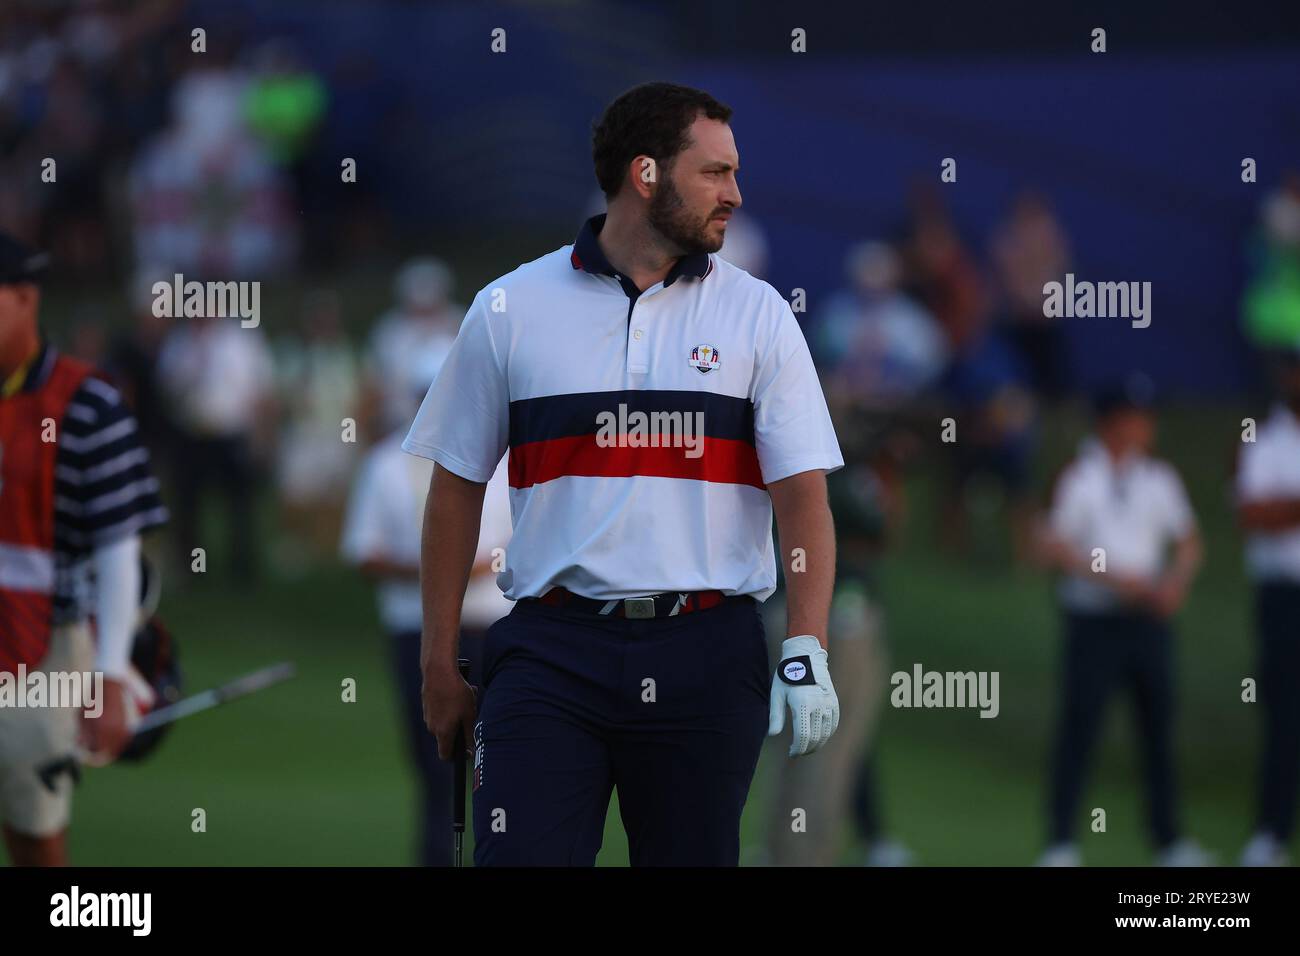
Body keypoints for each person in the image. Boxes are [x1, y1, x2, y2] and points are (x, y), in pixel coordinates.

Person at [404, 82, 844, 866]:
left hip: (708, 655)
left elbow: (803, 497)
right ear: (646, 173)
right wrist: (439, 658)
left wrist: (806, 642)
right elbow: (456, 483)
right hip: (549, 651)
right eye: (715, 173)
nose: (735, 195)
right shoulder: (509, 307)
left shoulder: (760, 313)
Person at [0, 233, 167, 866]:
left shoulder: (88, 403)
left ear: (23, 298)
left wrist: (109, 674)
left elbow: (117, 547)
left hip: (41, 649)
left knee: (34, 836)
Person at [1036, 378, 1210, 866]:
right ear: (1111, 422)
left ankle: (1168, 839)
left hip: (1148, 621)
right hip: (1094, 621)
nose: (1145, 426)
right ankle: (1062, 842)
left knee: (1158, 726)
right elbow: (1057, 546)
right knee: (1080, 726)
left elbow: (1189, 541)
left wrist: (1174, 583)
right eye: (1135, 416)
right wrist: (1116, 580)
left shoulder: (1159, 478)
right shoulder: (1080, 475)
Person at [341, 369, 512, 867]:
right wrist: (438, 566)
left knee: (501, 765)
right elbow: (363, 554)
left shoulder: (504, 457)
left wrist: (474, 565)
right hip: (416, 631)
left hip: (494, 627)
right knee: (436, 766)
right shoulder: (385, 463)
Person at [1236, 346, 1300, 866]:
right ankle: (1271, 833)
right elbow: (1255, 512)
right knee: (1285, 716)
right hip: (1285, 597)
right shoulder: (1265, 439)